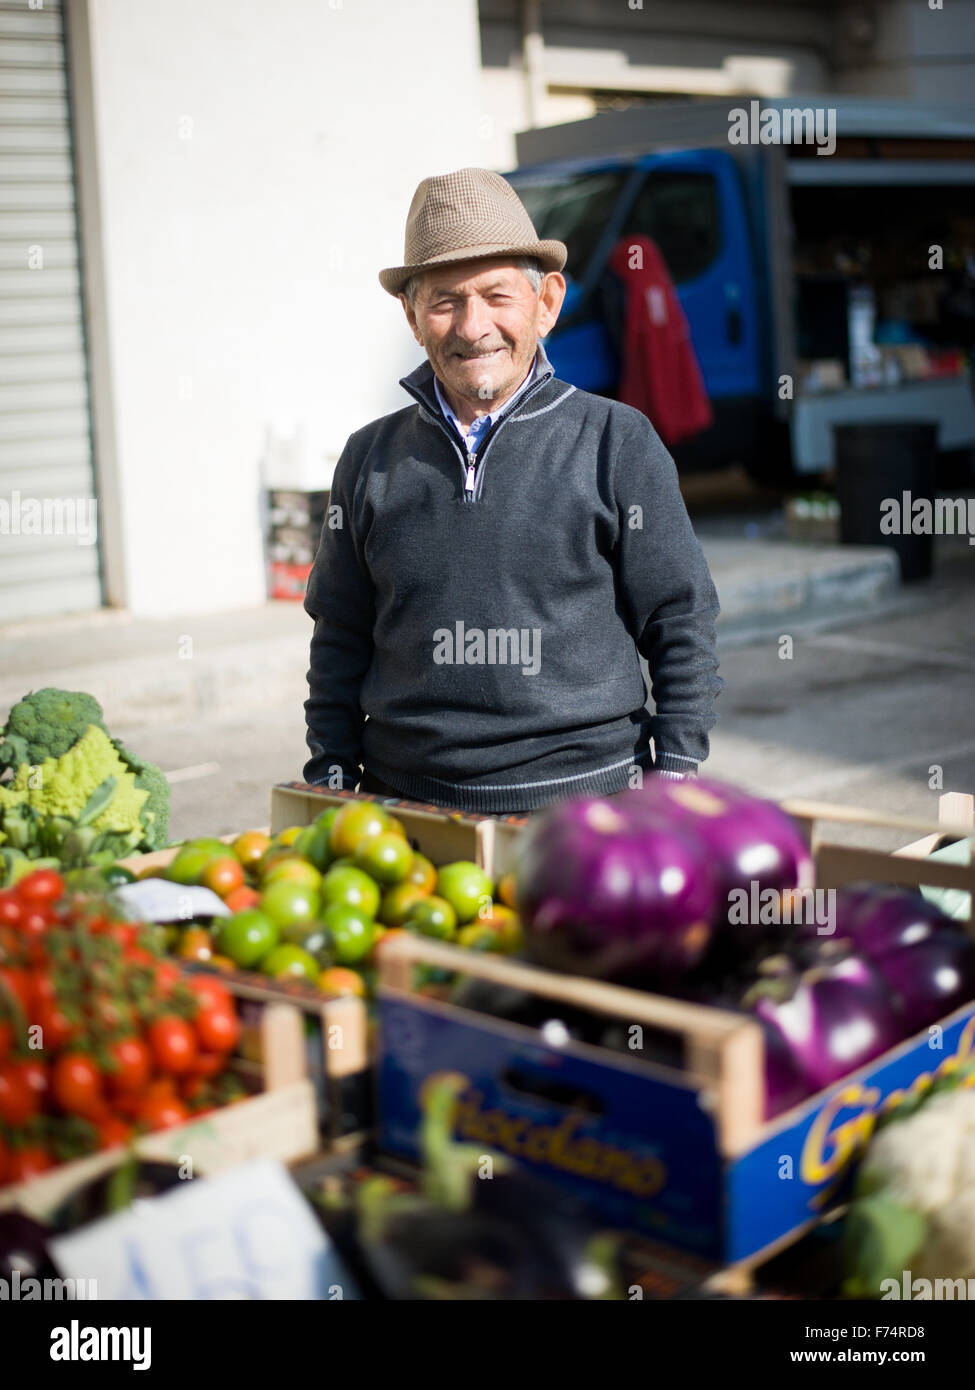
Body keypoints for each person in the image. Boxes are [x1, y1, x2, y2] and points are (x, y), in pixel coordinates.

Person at [302, 167, 722, 816]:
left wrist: (675, 773)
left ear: (546, 303)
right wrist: (330, 771)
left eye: (497, 295)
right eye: (444, 300)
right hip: (407, 813)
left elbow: (679, 619)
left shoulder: (616, 441)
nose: (472, 327)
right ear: (411, 317)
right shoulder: (368, 458)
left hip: (589, 810)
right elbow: (339, 633)